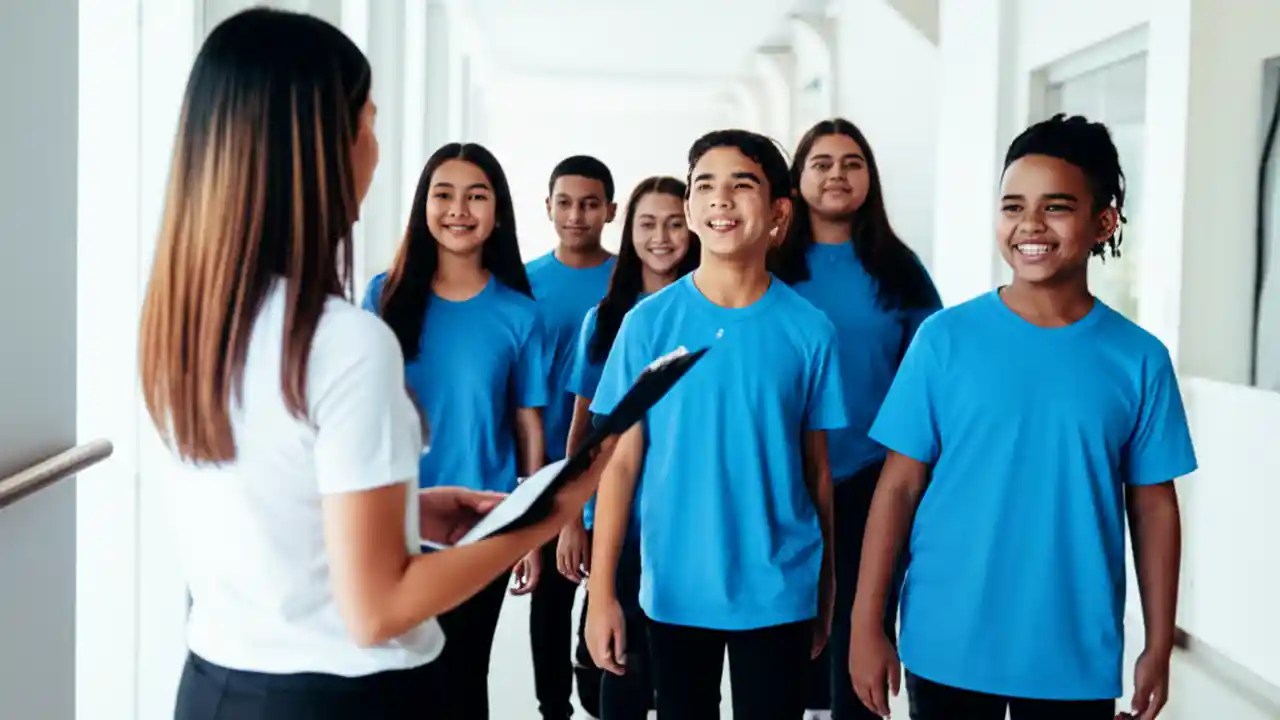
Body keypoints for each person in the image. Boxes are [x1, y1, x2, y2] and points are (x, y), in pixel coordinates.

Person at [139, 9, 610, 719]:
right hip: (338, 696)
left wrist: (404, 510)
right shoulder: (345, 340)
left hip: (216, 682)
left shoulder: (188, 318)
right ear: (319, 145)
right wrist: (545, 516)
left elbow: (272, 496)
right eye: (368, 123)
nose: (376, 149)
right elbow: (377, 609)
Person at [849, 114, 1197, 720]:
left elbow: (1153, 505)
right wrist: (865, 624)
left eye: (1056, 206)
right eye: (1012, 206)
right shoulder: (944, 340)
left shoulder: (1139, 360)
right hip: (946, 638)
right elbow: (898, 487)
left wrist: (1159, 643)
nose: (1029, 225)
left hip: (1073, 650)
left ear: (1103, 222)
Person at [586, 129, 848, 720]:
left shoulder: (810, 330)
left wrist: (827, 586)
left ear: (779, 211)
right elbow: (620, 463)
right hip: (676, 587)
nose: (720, 199)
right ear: (689, 209)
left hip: (780, 587)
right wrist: (602, 592)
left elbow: (818, 471)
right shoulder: (648, 324)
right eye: (704, 185)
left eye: (741, 184)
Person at [362, 142, 546, 719]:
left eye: (476, 195)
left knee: (463, 679)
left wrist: (531, 527)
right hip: (393, 517)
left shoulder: (520, 313)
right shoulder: (383, 296)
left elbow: (527, 422)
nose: (459, 209)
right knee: (393, 682)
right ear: (423, 206)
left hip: (481, 527)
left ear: (498, 212)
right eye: (443, 194)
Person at [772, 118, 941, 720]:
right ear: (796, 180)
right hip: (780, 476)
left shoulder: (900, 269)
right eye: (821, 163)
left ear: (869, 178)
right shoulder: (766, 267)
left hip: (874, 476)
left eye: (851, 163)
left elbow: (928, 378)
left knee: (859, 628)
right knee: (784, 628)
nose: (837, 175)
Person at [563, 176, 700, 719]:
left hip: (686, 524)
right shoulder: (607, 319)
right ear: (629, 231)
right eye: (647, 223)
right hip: (620, 523)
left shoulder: (710, 313)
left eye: (673, 222)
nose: (661, 236)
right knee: (616, 668)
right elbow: (584, 432)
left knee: (684, 682)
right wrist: (572, 518)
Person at [525, 155, 618, 720]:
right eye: (565, 202)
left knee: (611, 588)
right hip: (545, 466)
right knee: (551, 596)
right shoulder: (524, 283)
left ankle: (601, 689)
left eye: (589, 203)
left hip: (612, 464)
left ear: (611, 209)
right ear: (549, 208)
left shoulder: (628, 280)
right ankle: (551, 707)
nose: (576, 215)